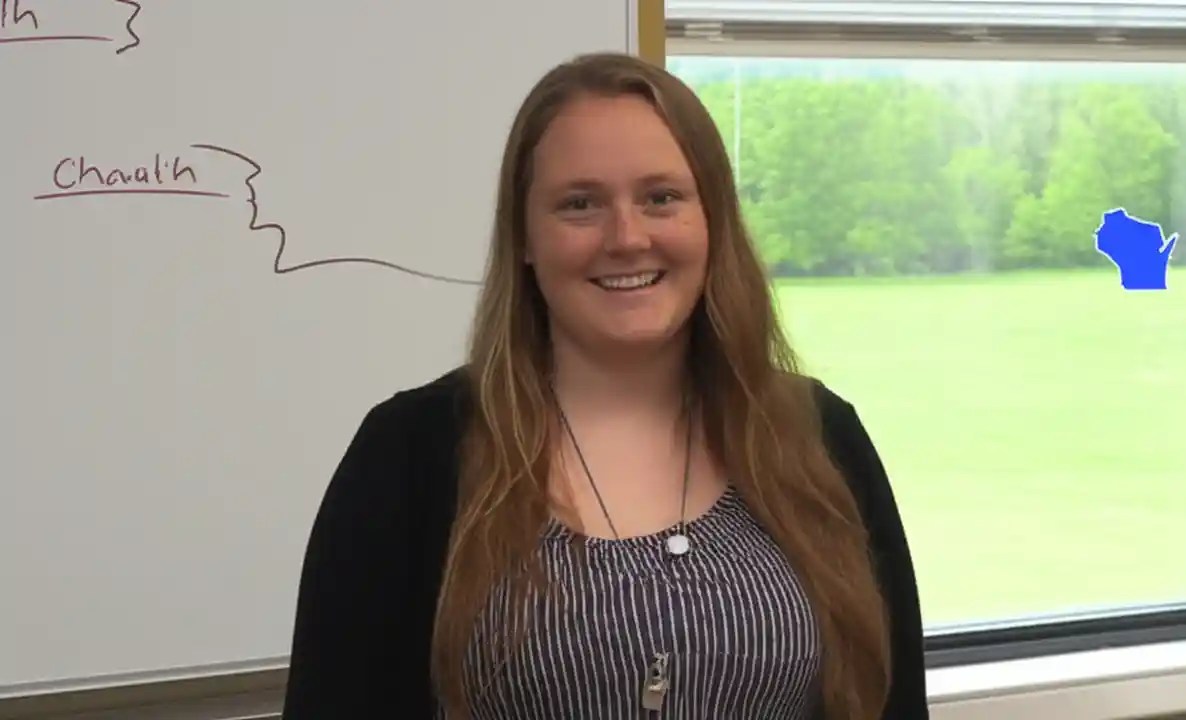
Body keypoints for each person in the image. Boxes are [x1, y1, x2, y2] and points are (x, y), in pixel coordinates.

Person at [280, 51, 929, 719]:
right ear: (524, 236)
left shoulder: (821, 436)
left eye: (661, 197)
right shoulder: (406, 454)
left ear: (713, 219)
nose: (626, 237)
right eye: (580, 204)